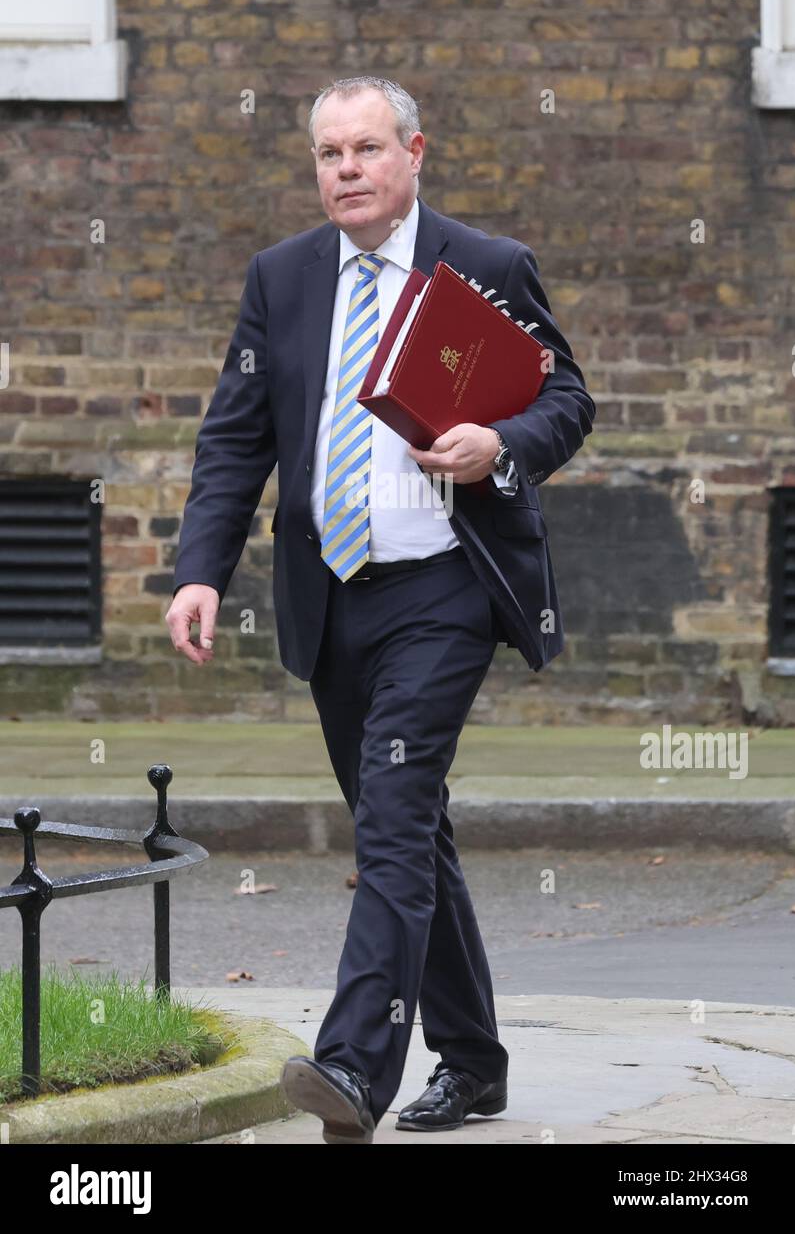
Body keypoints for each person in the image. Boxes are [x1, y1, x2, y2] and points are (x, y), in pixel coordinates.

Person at [166, 75, 595, 1143]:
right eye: (328, 154)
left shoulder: (484, 267)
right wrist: (199, 570)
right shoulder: (282, 278)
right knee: (409, 828)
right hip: (329, 597)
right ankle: (476, 1063)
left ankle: (356, 1068)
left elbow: (567, 397)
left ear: (414, 153)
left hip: (445, 588)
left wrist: (503, 446)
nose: (346, 170)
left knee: (394, 821)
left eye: (365, 149)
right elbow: (236, 438)